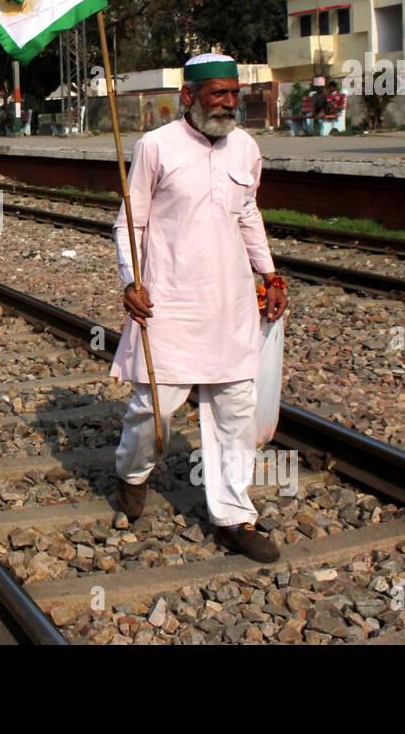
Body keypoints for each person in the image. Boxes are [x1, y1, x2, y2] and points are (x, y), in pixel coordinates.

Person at [110, 52, 290, 563]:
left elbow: (248, 212)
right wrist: (130, 281)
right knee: (154, 409)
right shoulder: (155, 147)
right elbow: (130, 223)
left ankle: (235, 515)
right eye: (218, 93)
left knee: (234, 412)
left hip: (230, 305)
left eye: (234, 93)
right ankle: (132, 472)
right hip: (168, 304)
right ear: (187, 96)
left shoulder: (246, 148)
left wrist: (269, 273)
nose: (229, 102)